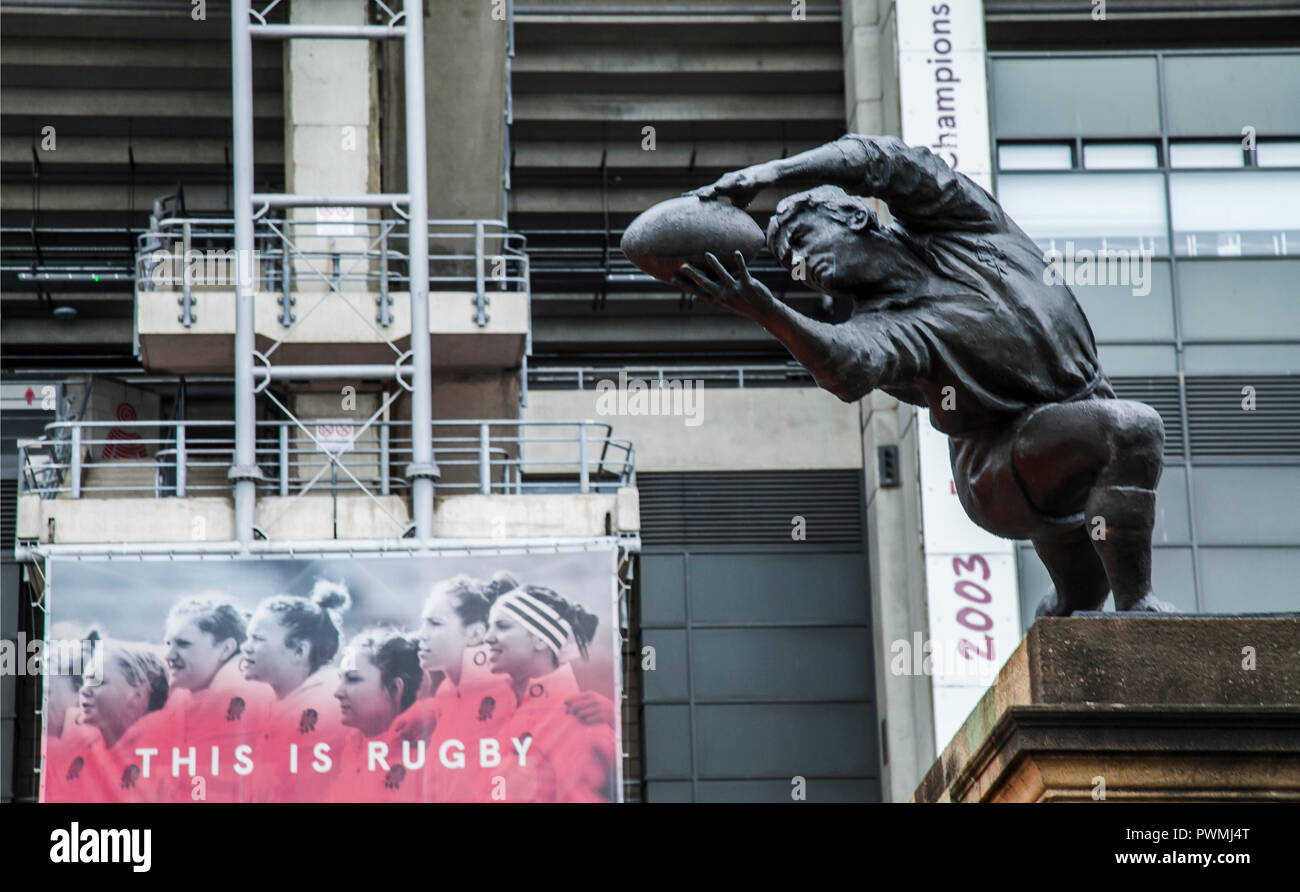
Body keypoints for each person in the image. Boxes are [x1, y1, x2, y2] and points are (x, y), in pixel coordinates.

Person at [679, 134, 1172, 616]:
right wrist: (768, 311)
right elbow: (847, 367)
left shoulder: (966, 225)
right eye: (793, 269)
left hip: (1072, 421)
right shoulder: (888, 324)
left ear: (854, 216)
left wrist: (771, 173)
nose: (805, 269)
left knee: (1077, 604)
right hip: (998, 466)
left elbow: (885, 160)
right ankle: (1139, 608)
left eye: (804, 242)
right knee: (1131, 429)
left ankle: (1074, 613)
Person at [484, 585, 618, 803]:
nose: (488, 638)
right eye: (489, 626)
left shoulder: (581, 717)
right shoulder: (497, 707)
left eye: (502, 626)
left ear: (540, 640)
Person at [391, 572, 517, 801]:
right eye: (424, 623)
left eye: (435, 623)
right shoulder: (449, 691)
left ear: (475, 633)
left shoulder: (496, 691)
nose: (422, 635)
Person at [240, 580, 351, 801]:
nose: (246, 647)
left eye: (258, 639)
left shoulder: (332, 705)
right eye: (248, 637)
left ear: (299, 650)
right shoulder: (282, 704)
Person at [157, 596, 269, 802]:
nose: (169, 655)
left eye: (183, 644)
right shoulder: (190, 692)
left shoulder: (239, 693)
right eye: (168, 643)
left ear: (225, 649)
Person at [55, 640, 171, 802]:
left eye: (99, 681)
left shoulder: (168, 760)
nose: (84, 690)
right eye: (85, 681)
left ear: (137, 694)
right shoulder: (78, 758)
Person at [329, 628, 425, 802]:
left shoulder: (420, 760)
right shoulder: (353, 748)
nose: (338, 692)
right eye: (340, 679)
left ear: (395, 688)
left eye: (353, 679)